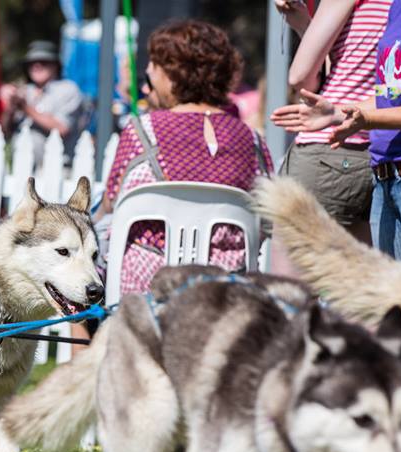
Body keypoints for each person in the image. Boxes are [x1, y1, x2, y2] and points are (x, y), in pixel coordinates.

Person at [271, 0, 401, 286]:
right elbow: (395, 94)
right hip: (385, 179)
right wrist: (337, 111)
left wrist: (368, 118)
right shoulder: (400, 7)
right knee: (396, 311)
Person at [95, 20, 271, 298]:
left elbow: (113, 202)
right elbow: (265, 223)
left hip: (148, 291)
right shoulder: (253, 140)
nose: (144, 88)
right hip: (227, 294)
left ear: (173, 75)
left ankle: (83, 342)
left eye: (152, 74)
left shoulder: (143, 131)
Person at [274, 0, 391, 247]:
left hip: (328, 150)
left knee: (291, 283)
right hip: (380, 151)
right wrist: (304, 24)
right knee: (357, 278)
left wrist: (304, 27)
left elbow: (301, 78)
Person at [1, 40, 84, 165]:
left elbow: (62, 128)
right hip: (21, 166)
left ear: (55, 65)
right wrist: (10, 109)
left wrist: (25, 108)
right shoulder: (24, 90)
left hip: (55, 168)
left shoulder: (68, 89)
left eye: (43, 62)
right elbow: (4, 132)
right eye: (31, 63)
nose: (36, 66)